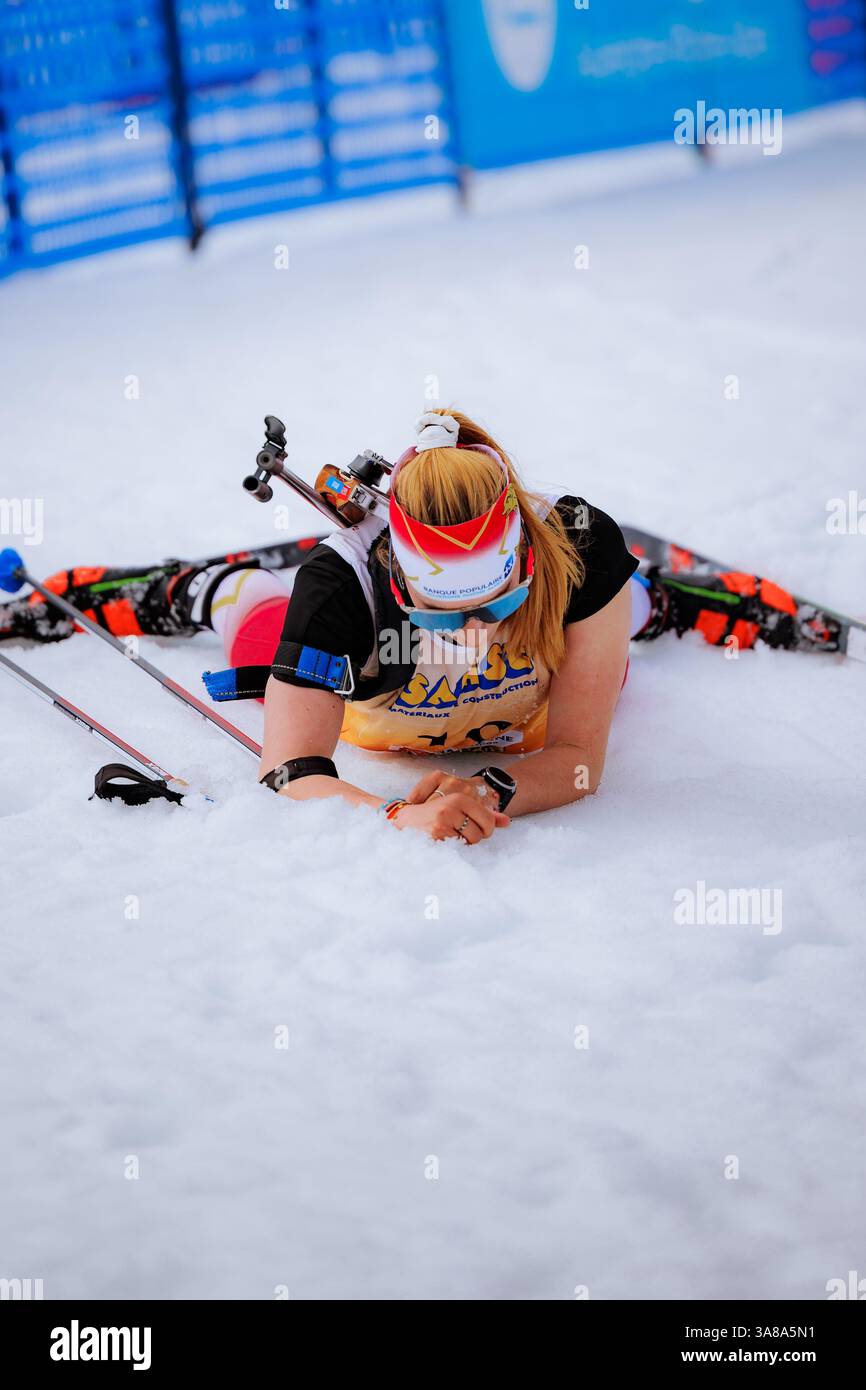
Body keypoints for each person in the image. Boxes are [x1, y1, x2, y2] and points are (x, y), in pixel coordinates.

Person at [0, 409, 801, 842]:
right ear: (397, 573)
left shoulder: (576, 540)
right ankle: (193, 586)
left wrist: (488, 793)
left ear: (523, 557)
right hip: (377, 719)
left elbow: (579, 760)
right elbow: (290, 773)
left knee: (614, 611)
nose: (475, 628)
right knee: (257, 618)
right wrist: (399, 814)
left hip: (529, 705)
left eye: (495, 602)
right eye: (448, 609)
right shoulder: (339, 581)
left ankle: (666, 598)